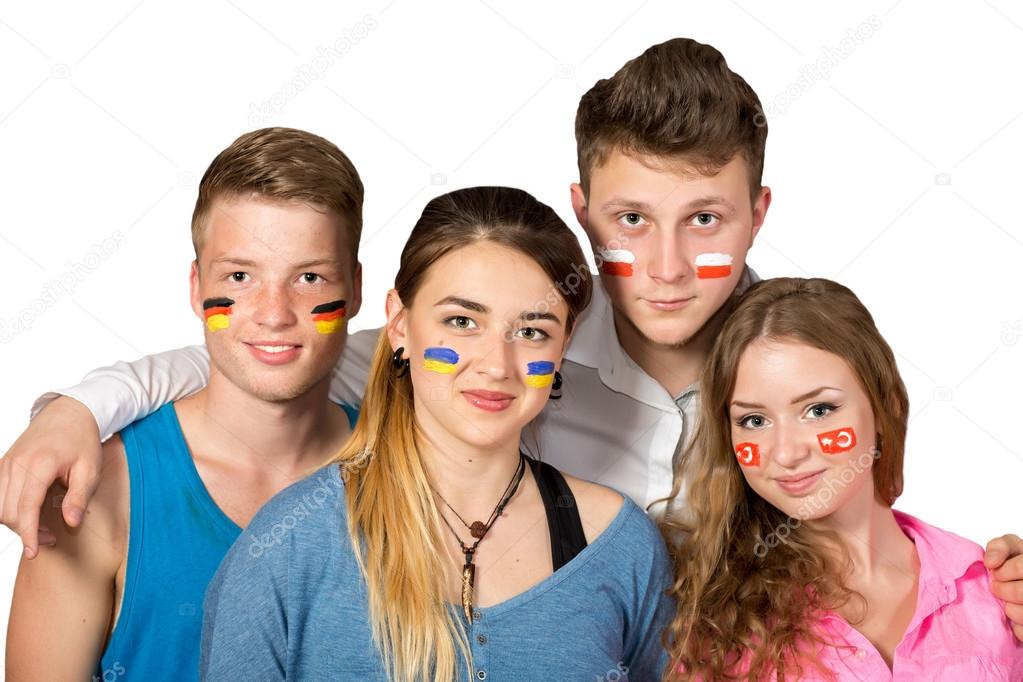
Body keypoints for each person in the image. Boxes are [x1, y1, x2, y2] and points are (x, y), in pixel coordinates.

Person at [3, 37, 1022, 637]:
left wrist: (985, 585)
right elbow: (277, 341)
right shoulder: (506, 353)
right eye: (630, 220)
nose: (664, 265)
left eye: (704, 220)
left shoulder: (803, 360)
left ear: (759, 211)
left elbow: (869, 520)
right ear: (581, 208)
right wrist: (77, 407)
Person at [200, 185, 674, 680]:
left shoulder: (620, 546)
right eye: (462, 320)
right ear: (400, 325)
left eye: (532, 331)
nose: (496, 365)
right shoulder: (291, 544)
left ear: (563, 345)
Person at [6, 127, 363, 680]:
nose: (273, 313)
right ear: (197, 286)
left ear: (355, 290)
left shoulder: (415, 473)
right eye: (240, 277)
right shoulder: (99, 494)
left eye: (309, 278)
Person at [662, 277, 1023, 680]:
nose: (786, 452)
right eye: (754, 420)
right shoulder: (713, 618)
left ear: (886, 409)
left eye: (818, 410)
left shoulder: (993, 587)